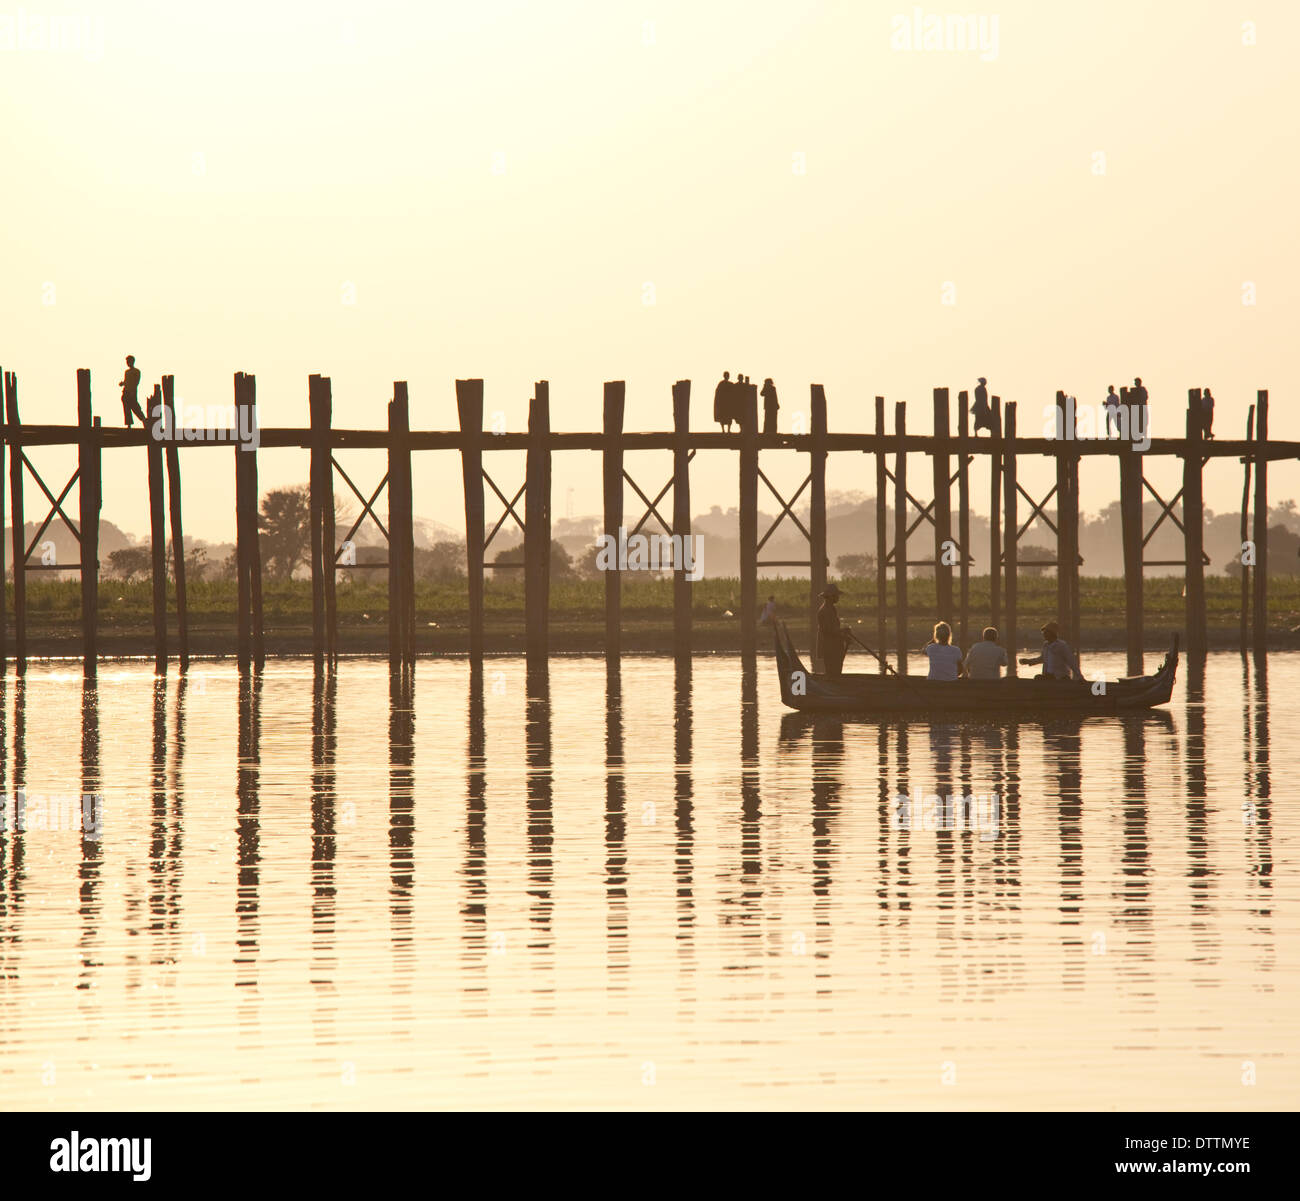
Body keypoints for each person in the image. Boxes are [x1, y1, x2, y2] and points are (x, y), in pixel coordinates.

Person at [816, 583, 851, 678]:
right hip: (830, 648)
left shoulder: (831, 609)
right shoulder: (825, 611)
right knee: (833, 674)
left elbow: (833, 629)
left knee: (836, 674)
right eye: (836, 596)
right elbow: (829, 631)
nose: (838, 598)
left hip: (835, 647)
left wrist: (843, 633)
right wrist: (843, 633)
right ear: (831, 596)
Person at [119, 355, 146, 427]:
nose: (127, 363)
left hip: (132, 392)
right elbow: (126, 381)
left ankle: (144, 420)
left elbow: (136, 382)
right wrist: (122, 383)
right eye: (127, 362)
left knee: (135, 407)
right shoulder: (126, 372)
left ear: (132, 362)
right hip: (126, 392)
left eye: (129, 361)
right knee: (126, 408)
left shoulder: (136, 371)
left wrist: (133, 391)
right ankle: (129, 424)